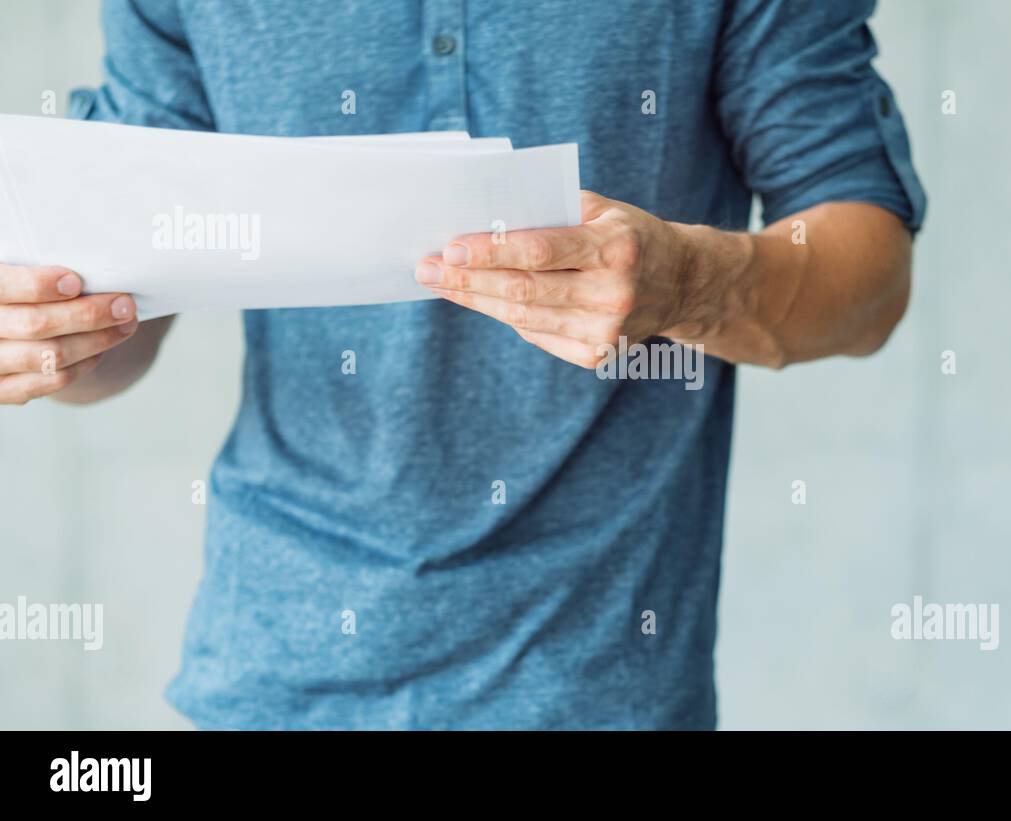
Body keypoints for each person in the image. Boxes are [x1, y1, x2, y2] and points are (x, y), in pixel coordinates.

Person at [0, 0, 925, 729]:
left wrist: (692, 286)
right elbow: (119, 320)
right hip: (271, 674)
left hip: (600, 683)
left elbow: (868, 281)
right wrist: (47, 334)